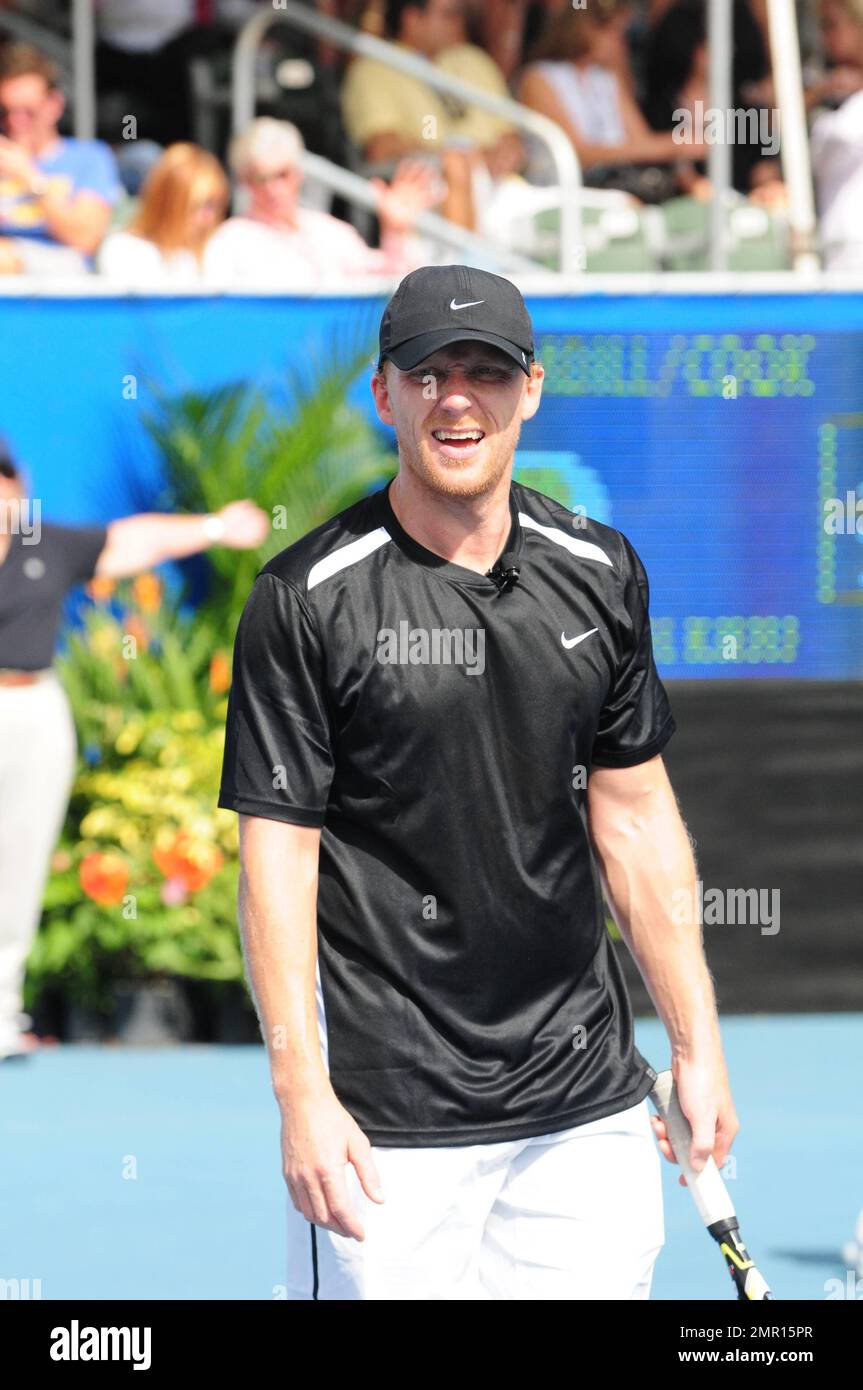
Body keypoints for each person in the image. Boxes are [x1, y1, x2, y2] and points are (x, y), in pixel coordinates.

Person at [217, 262, 739, 1300]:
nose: (457, 398)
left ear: (528, 390)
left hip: (584, 1106)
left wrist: (695, 1045)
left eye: (484, 371)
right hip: (384, 1120)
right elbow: (276, 863)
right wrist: (299, 1092)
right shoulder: (303, 601)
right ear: (385, 394)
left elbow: (634, 822)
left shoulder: (599, 570)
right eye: (427, 372)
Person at [0, 446, 269, 1061]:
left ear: (22, 487)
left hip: (33, 709)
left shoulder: (48, 545)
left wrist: (215, 527)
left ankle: (0, 1010)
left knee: (17, 864)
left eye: (4, 480)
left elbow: (133, 540)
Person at [341, 0, 527, 230]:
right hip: (428, 193)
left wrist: (501, 155)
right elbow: (381, 148)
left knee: (571, 216)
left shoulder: (474, 59)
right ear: (413, 19)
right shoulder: (373, 68)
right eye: (450, 14)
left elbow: (510, 136)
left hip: (501, 188)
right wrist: (454, 157)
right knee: (456, 166)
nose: (459, 23)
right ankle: (466, 264)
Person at [206, 117, 440, 288]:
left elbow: (391, 287)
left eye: (282, 174)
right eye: (260, 178)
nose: (272, 189)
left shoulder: (331, 232)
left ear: (298, 173)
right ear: (244, 182)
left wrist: (396, 231)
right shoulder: (230, 241)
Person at [516, 1, 705, 202]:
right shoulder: (539, 78)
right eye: (614, 33)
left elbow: (641, 143)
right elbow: (577, 153)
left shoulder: (606, 80)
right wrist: (673, 145)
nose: (619, 44)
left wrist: (679, 145)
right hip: (563, 195)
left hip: (613, 190)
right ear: (587, 30)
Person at [0, 43, 122, 275]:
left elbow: (84, 239)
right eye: (4, 112)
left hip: (60, 269)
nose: (15, 123)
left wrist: (28, 176)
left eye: (28, 112)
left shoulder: (90, 157)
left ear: (54, 105)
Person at [97, 142, 230, 287]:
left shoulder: (221, 249)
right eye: (195, 206)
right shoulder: (123, 250)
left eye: (213, 206)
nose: (206, 218)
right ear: (166, 202)